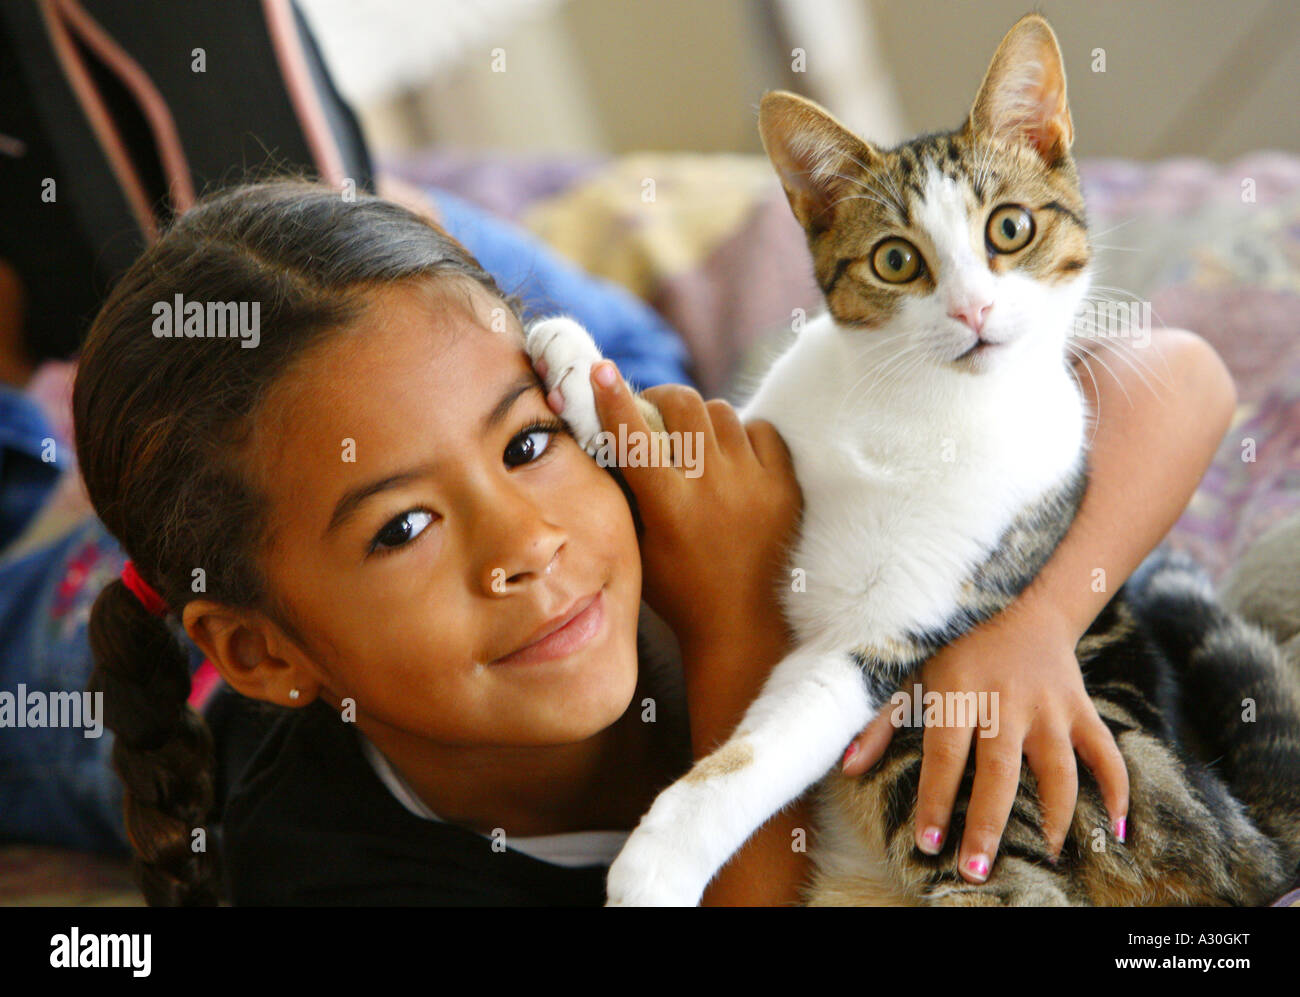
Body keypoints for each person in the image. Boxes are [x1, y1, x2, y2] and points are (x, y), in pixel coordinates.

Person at [71, 178, 1236, 905]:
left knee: (656, 374)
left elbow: (1177, 379)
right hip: (164, 684)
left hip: (637, 427)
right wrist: (731, 615)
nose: (524, 542)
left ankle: (424, 226)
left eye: (525, 446)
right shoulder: (329, 869)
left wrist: (1031, 622)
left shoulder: (632, 512)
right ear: (265, 652)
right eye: (404, 526)